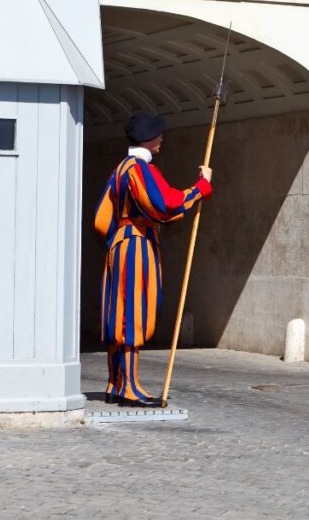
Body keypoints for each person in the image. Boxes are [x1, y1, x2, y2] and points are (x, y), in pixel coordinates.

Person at [93, 113, 213, 408]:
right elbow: (164, 204)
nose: (162, 140)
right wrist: (200, 189)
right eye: (158, 135)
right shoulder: (139, 169)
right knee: (133, 314)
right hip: (136, 245)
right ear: (148, 137)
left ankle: (116, 383)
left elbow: (101, 218)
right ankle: (129, 387)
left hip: (120, 243)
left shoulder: (120, 169)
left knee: (118, 314)